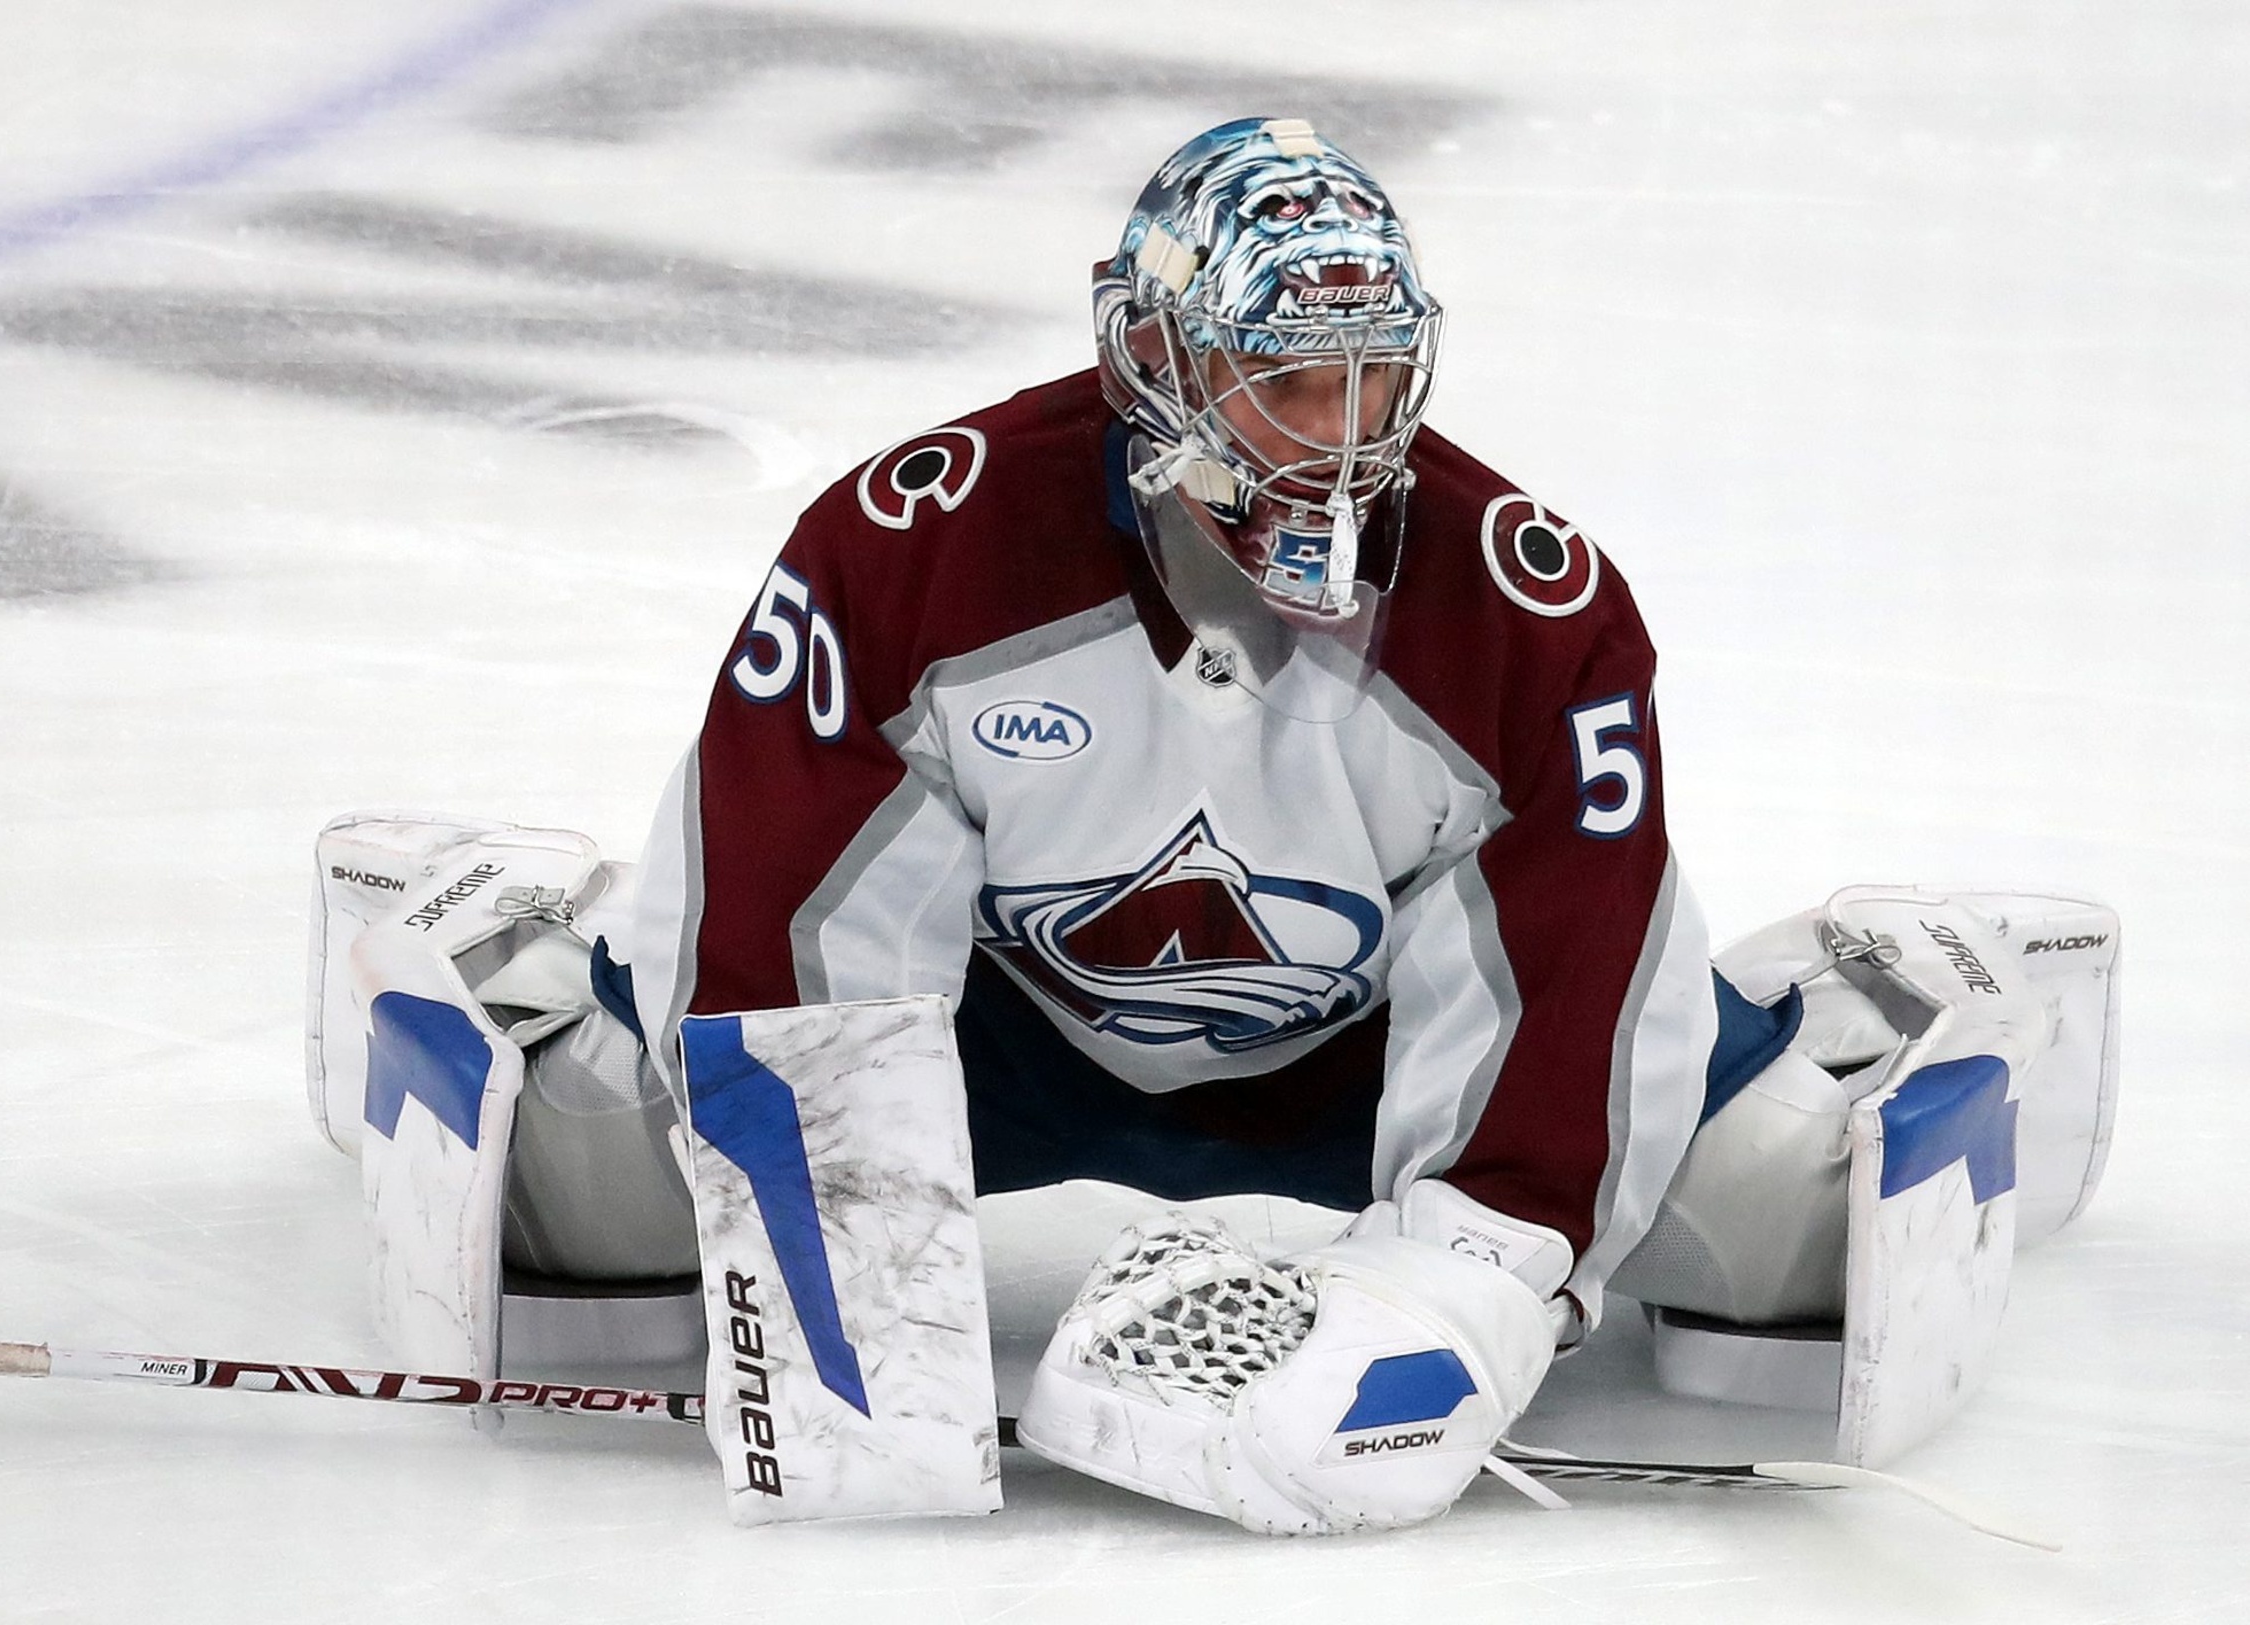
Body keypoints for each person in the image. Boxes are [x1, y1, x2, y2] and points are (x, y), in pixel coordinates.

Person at [599, 115, 1749, 1531]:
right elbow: (782, 927)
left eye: (1375, 377)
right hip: (992, 1043)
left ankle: (1880, 1006)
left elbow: (1575, 971)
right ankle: (503, 955)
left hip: (1360, 1067)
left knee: (1776, 1199)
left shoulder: (1530, 617)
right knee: (589, 1172)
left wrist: (1464, 1291)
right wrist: (836, 1297)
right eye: (1286, 381)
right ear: (1161, 357)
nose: (1344, 436)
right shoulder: (914, 550)